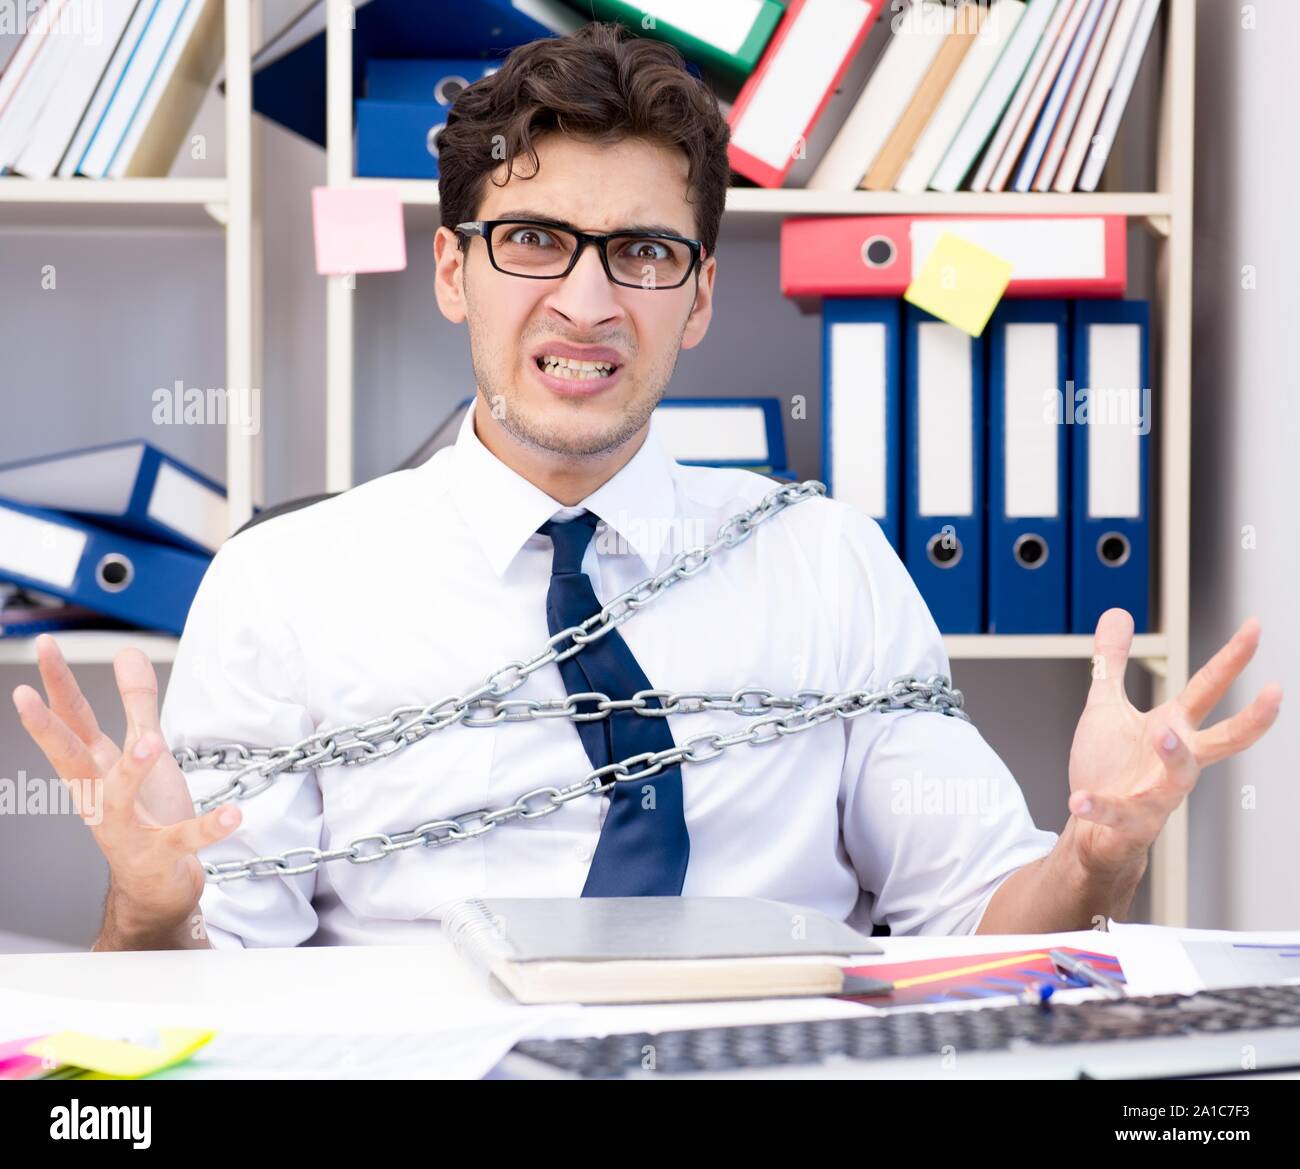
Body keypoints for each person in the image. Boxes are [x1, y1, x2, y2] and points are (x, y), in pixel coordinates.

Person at [12, 23, 1281, 951]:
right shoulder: (285, 586)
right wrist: (147, 904)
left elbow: (986, 931)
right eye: (531, 240)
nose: (585, 298)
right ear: (455, 272)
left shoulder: (828, 559)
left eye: (641, 250)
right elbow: (208, 994)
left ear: (699, 293)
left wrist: (1099, 850)